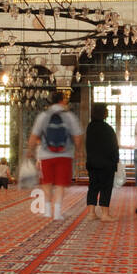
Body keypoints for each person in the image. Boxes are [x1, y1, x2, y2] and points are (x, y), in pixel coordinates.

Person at [27, 90, 84, 221]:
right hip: (65, 154)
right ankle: (57, 212)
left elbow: (34, 135)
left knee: (46, 182)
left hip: (46, 155)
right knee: (60, 184)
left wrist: (30, 150)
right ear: (62, 100)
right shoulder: (69, 116)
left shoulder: (43, 116)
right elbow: (77, 137)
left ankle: (47, 211)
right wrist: (79, 150)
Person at [84, 102, 120, 221]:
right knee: (105, 188)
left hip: (92, 163)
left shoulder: (90, 127)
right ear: (103, 113)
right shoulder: (107, 129)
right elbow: (114, 147)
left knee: (93, 187)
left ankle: (91, 213)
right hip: (106, 164)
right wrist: (116, 161)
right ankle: (105, 214)